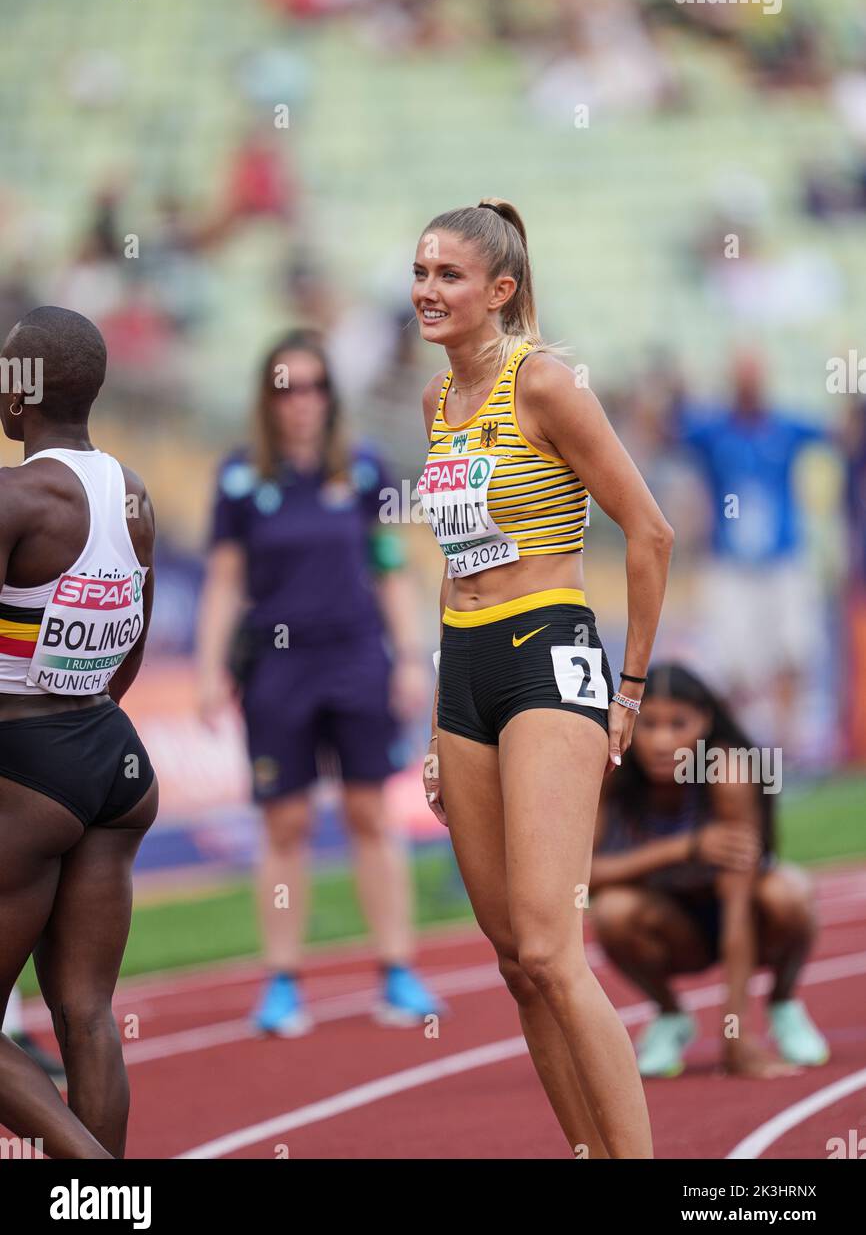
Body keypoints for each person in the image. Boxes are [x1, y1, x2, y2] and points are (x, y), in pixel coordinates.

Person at [417, 198, 673, 1159]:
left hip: (548, 656)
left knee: (554, 953)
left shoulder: (548, 382)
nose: (427, 291)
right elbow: (454, 559)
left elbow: (650, 532)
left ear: (500, 290)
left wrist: (633, 686)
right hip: (466, 666)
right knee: (514, 963)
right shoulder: (438, 402)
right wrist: (432, 723)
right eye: (421, 272)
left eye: (449, 275)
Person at [197, 328, 440, 1034]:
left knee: (371, 814)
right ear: (267, 398)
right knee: (286, 822)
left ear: (330, 395)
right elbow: (222, 580)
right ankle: (281, 983)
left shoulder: (363, 468)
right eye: (286, 387)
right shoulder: (241, 477)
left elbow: (388, 566)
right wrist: (212, 670)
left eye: (313, 386)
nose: (300, 401)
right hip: (278, 668)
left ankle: (397, 970)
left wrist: (407, 655)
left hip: (357, 658)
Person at [0, 305, 157, 1159]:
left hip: (29, 772)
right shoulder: (132, 493)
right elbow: (132, 641)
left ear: (18, 396)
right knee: (87, 1014)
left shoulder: (16, 495)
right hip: (115, 759)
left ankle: (97, 1186)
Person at [591, 662, 829, 1079]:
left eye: (678, 724)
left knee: (790, 893)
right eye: (648, 725)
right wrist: (684, 847)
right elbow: (580, 877)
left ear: (705, 721)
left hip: (749, 919)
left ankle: (783, 1004)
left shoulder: (727, 771)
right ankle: (670, 1016)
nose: (662, 741)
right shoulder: (614, 771)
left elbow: (737, 907)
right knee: (610, 911)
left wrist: (735, 1040)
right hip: (672, 925)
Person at [677, 349, 830, 754]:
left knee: (792, 651)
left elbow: (835, 434)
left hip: (782, 560)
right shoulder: (713, 431)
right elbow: (669, 430)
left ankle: (788, 744)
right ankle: (738, 746)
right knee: (729, 661)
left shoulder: (785, 428)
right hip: (729, 564)